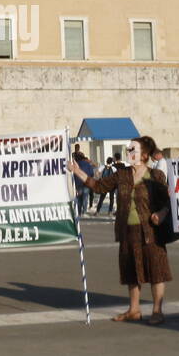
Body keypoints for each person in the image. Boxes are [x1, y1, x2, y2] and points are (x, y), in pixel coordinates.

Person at [72, 135, 172, 324]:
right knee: (131, 270)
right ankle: (133, 310)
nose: (129, 152)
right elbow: (99, 186)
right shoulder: (122, 174)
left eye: (133, 149)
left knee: (156, 269)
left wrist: (162, 214)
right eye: (128, 149)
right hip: (127, 230)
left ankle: (157, 311)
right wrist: (78, 172)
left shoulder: (155, 176)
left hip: (151, 230)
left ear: (144, 155)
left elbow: (167, 202)